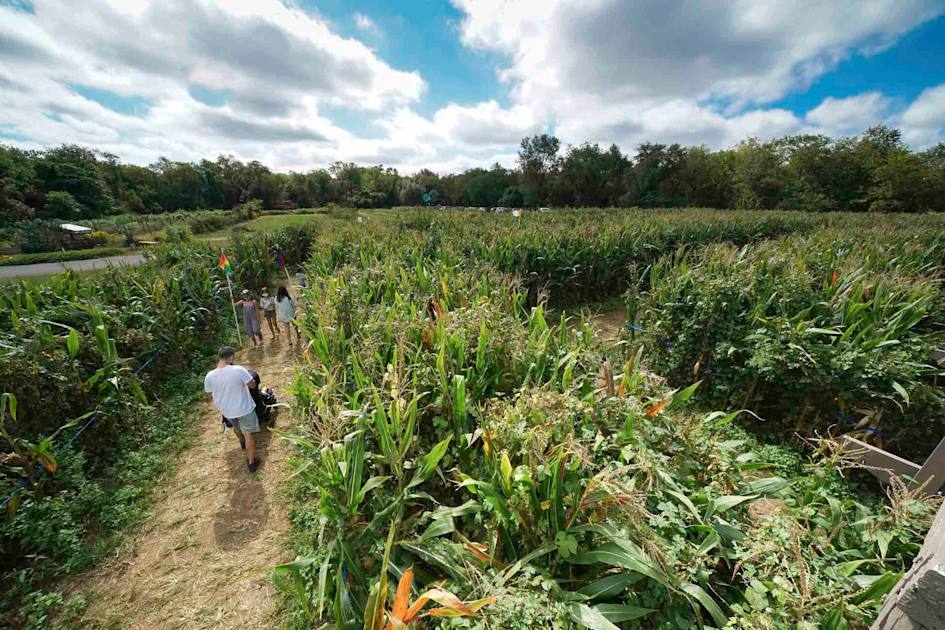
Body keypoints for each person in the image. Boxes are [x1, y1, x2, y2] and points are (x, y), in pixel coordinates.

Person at [204, 346, 261, 472]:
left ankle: (242, 443)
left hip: (227, 410)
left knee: (236, 427)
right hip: (244, 408)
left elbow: (209, 390)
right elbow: (252, 385)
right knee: (248, 433)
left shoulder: (209, 376)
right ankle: (251, 463)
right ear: (231, 357)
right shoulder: (238, 370)